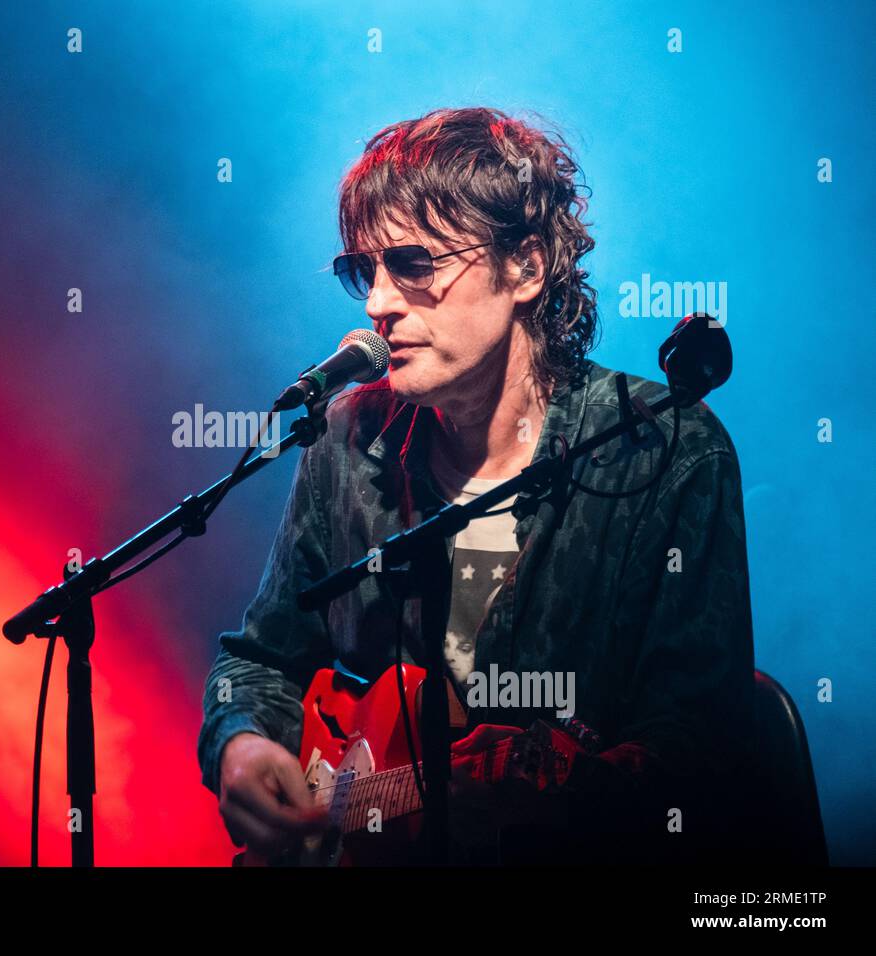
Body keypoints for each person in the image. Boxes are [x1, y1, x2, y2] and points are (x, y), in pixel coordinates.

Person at [197, 107, 755, 864]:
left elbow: (702, 756)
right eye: (367, 270)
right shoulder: (344, 440)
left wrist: (555, 798)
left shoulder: (666, 452)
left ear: (525, 266)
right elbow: (260, 659)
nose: (377, 304)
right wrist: (242, 745)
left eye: (414, 265)